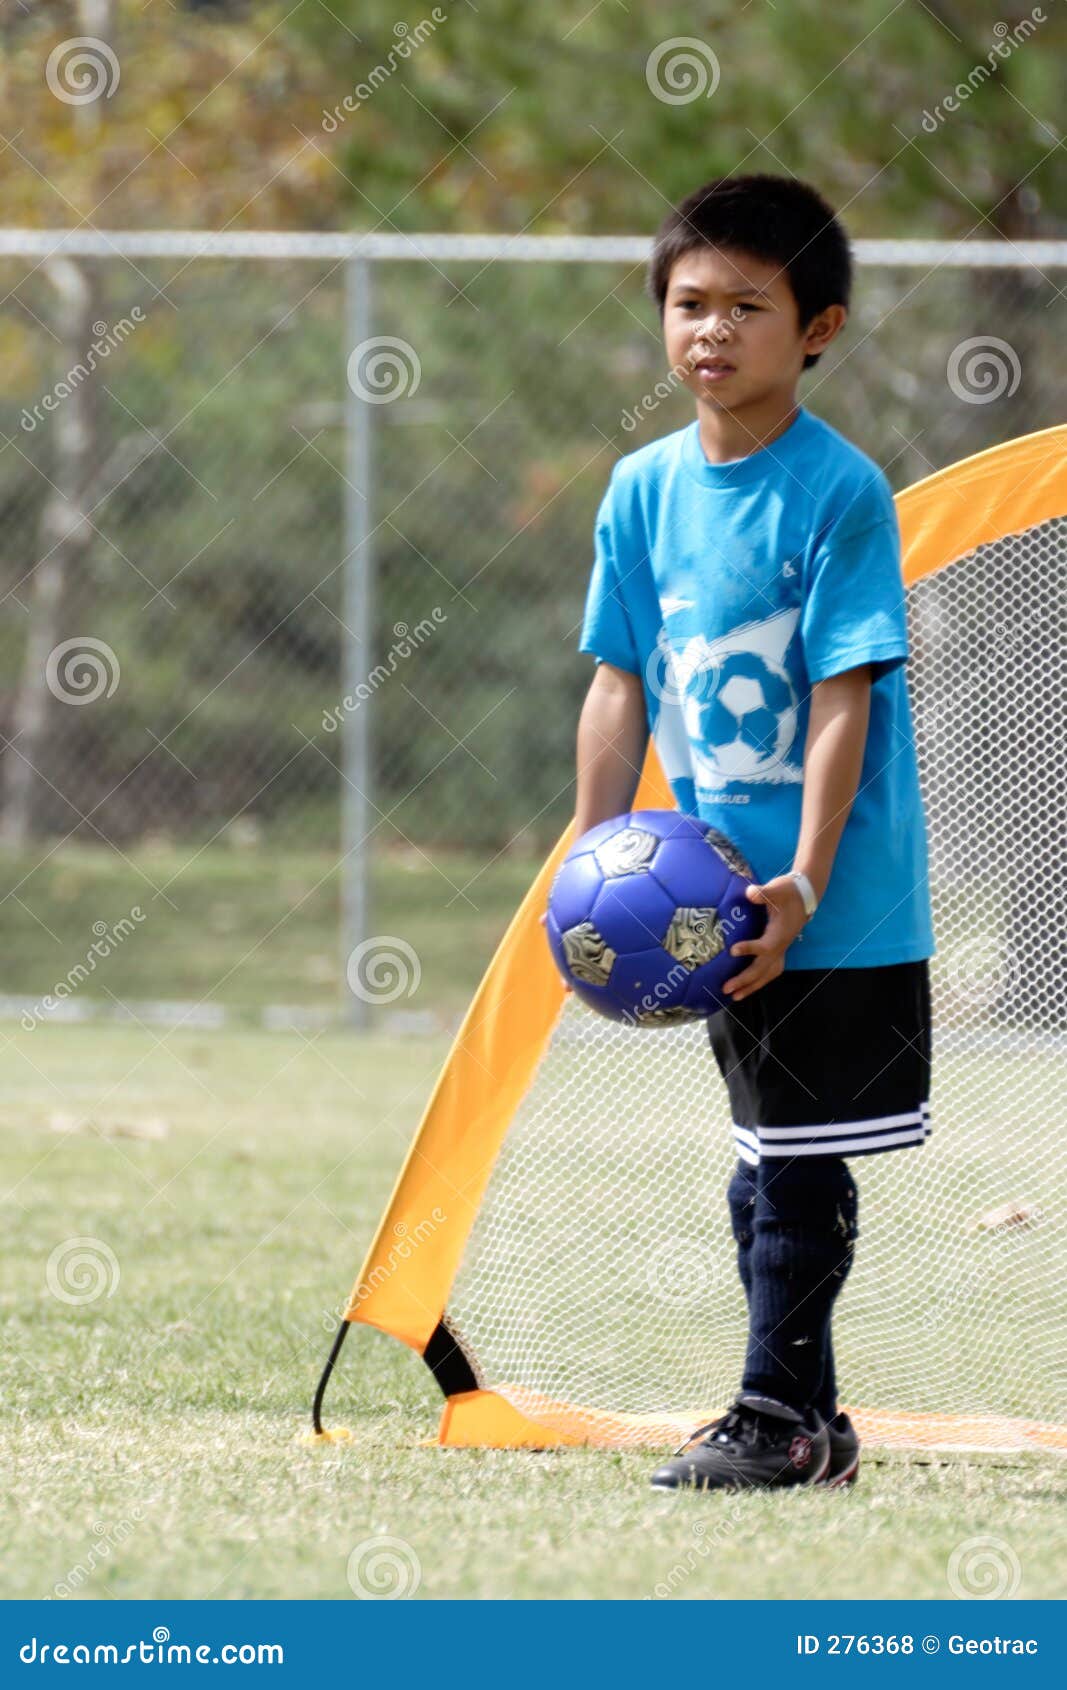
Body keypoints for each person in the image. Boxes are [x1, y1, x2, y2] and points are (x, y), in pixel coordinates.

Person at [571, 174, 935, 1491]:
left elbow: (844, 698)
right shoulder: (640, 490)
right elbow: (618, 679)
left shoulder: (841, 493)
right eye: (686, 303)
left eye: (746, 305)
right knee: (764, 1160)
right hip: (697, 892)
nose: (709, 330)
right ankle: (807, 1420)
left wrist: (806, 878)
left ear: (818, 326)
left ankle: (777, 1415)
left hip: (827, 900)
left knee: (791, 1170)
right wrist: (590, 848)